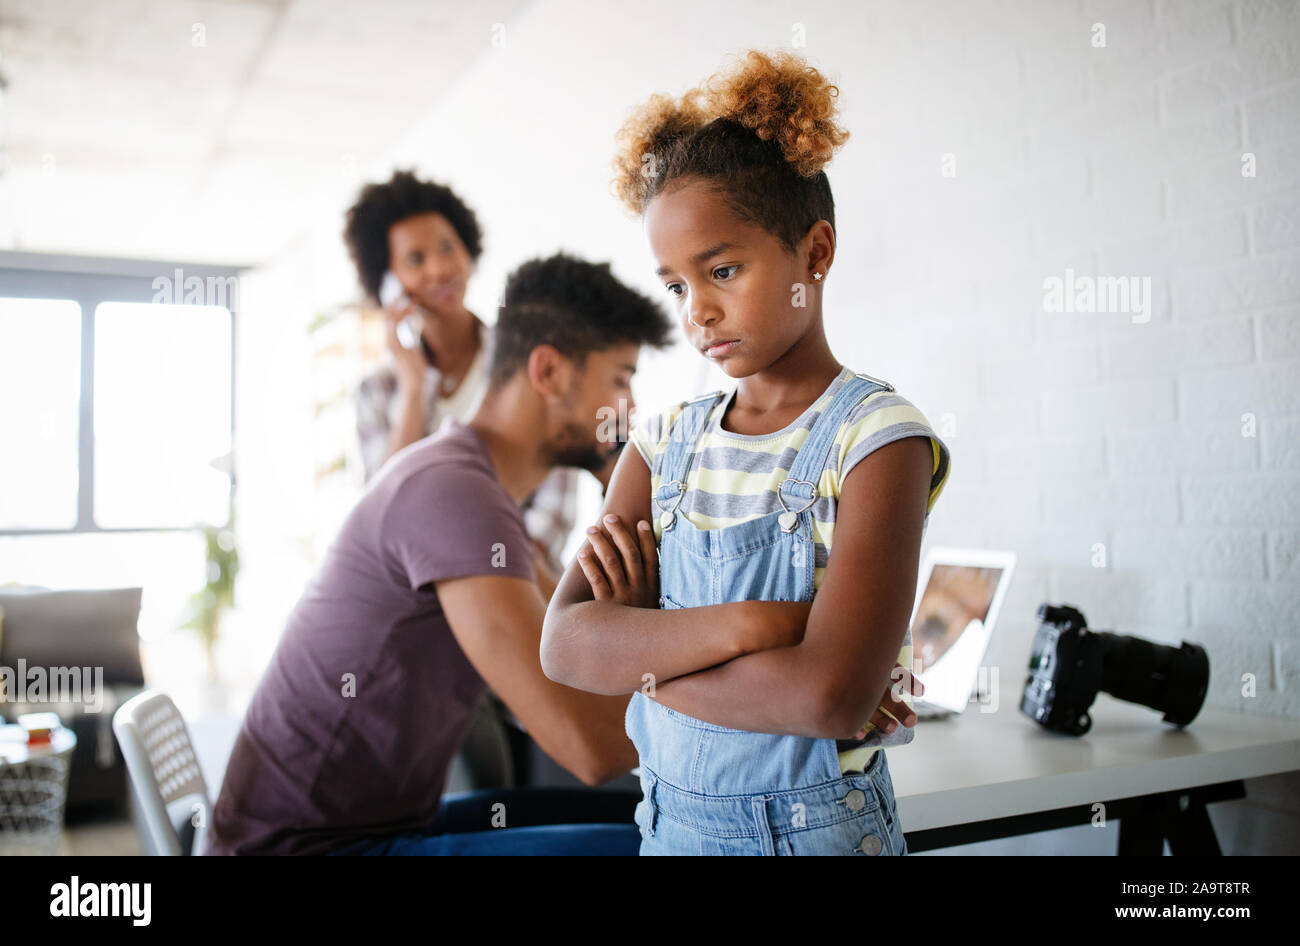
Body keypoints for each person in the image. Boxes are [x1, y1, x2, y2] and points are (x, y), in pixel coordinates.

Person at [541, 50, 952, 856]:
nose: (699, 311)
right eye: (677, 286)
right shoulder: (661, 446)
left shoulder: (878, 441)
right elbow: (565, 646)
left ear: (816, 253)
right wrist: (762, 625)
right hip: (666, 832)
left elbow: (830, 697)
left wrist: (646, 648)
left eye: (722, 269)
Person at [206, 253, 674, 855]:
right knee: (660, 847)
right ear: (550, 371)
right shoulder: (456, 496)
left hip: (379, 827)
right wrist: (757, 699)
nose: (628, 409)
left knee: (635, 820)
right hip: (307, 850)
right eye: (619, 379)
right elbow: (589, 745)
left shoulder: (477, 492)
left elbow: (583, 647)